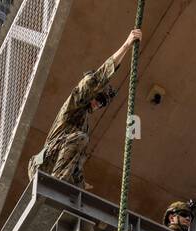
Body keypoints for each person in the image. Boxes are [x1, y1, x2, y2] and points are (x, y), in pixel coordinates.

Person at [27, 27, 143, 188]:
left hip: (56, 161)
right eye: (97, 99)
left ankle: (62, 187)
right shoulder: (74, 105)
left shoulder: (84, 124)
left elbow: (77, 156)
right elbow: (94, 81)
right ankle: (56, 185)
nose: (97, 104)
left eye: (102, 103)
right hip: (43, 164)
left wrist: (80, 183)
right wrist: (127, 45)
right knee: (81, 138)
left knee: (81, 145)